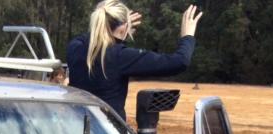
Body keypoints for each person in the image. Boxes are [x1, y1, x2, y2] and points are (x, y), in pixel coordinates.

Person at [67, 1, 203, 119]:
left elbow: (88, 38)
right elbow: (179, 61)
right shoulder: (120, 56)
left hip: (75, 130)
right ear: (123, 27)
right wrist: (188, 36)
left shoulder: (74, 48)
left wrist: (119, 28)